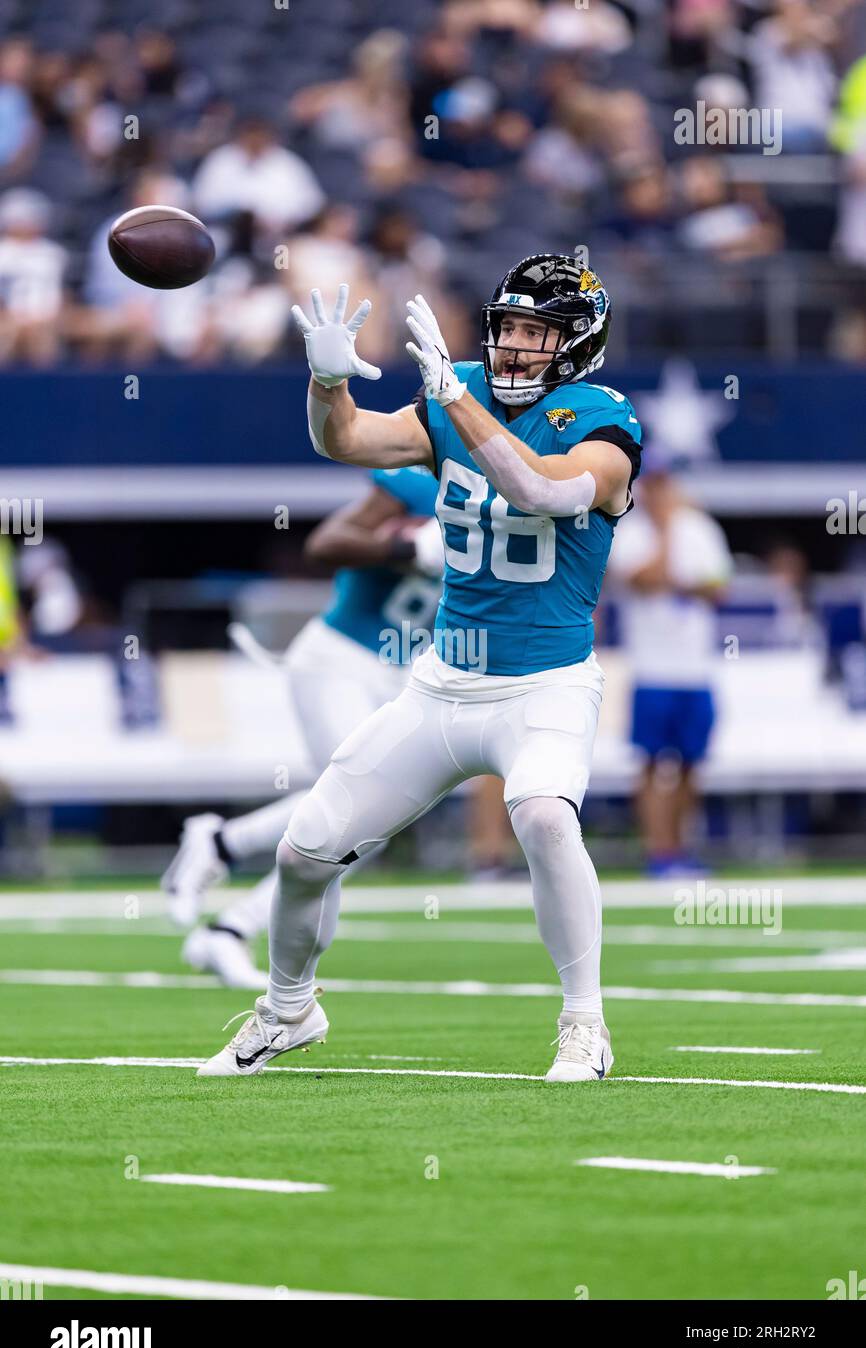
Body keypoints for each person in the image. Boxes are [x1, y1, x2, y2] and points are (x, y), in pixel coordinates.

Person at [198, 254, 642, 1083]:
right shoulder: (457, 394)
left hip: (544, 686)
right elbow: (347, 441)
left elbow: (543, 491)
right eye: (507, 328)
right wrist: (324, 382)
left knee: (546, 818)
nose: (513, 347)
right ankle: (289, 1009)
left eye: (535, 333)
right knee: (307, 853)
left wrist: (455, 399)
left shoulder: (602, 420)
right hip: (442, 685)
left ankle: (586, 1024)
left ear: (576, 345)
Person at [162, 470, 443, 987]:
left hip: (406, 670)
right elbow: (326, 543)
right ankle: (227, 916)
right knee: (360, 809)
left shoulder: (512, 496)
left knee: (364, 815)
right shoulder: (421, 481)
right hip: (341, 659)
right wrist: (404, 548)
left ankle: (222, 866)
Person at [607, 453, 732, 875]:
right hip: (652, 669)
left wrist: (678, 578)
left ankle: (680, 848)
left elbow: (717, 588)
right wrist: (664, 535)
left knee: (692, 764)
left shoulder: (700, 528)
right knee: (649, 763)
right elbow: (640, 580)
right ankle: (658, 852)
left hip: (694, 668)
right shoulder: (631, 531)